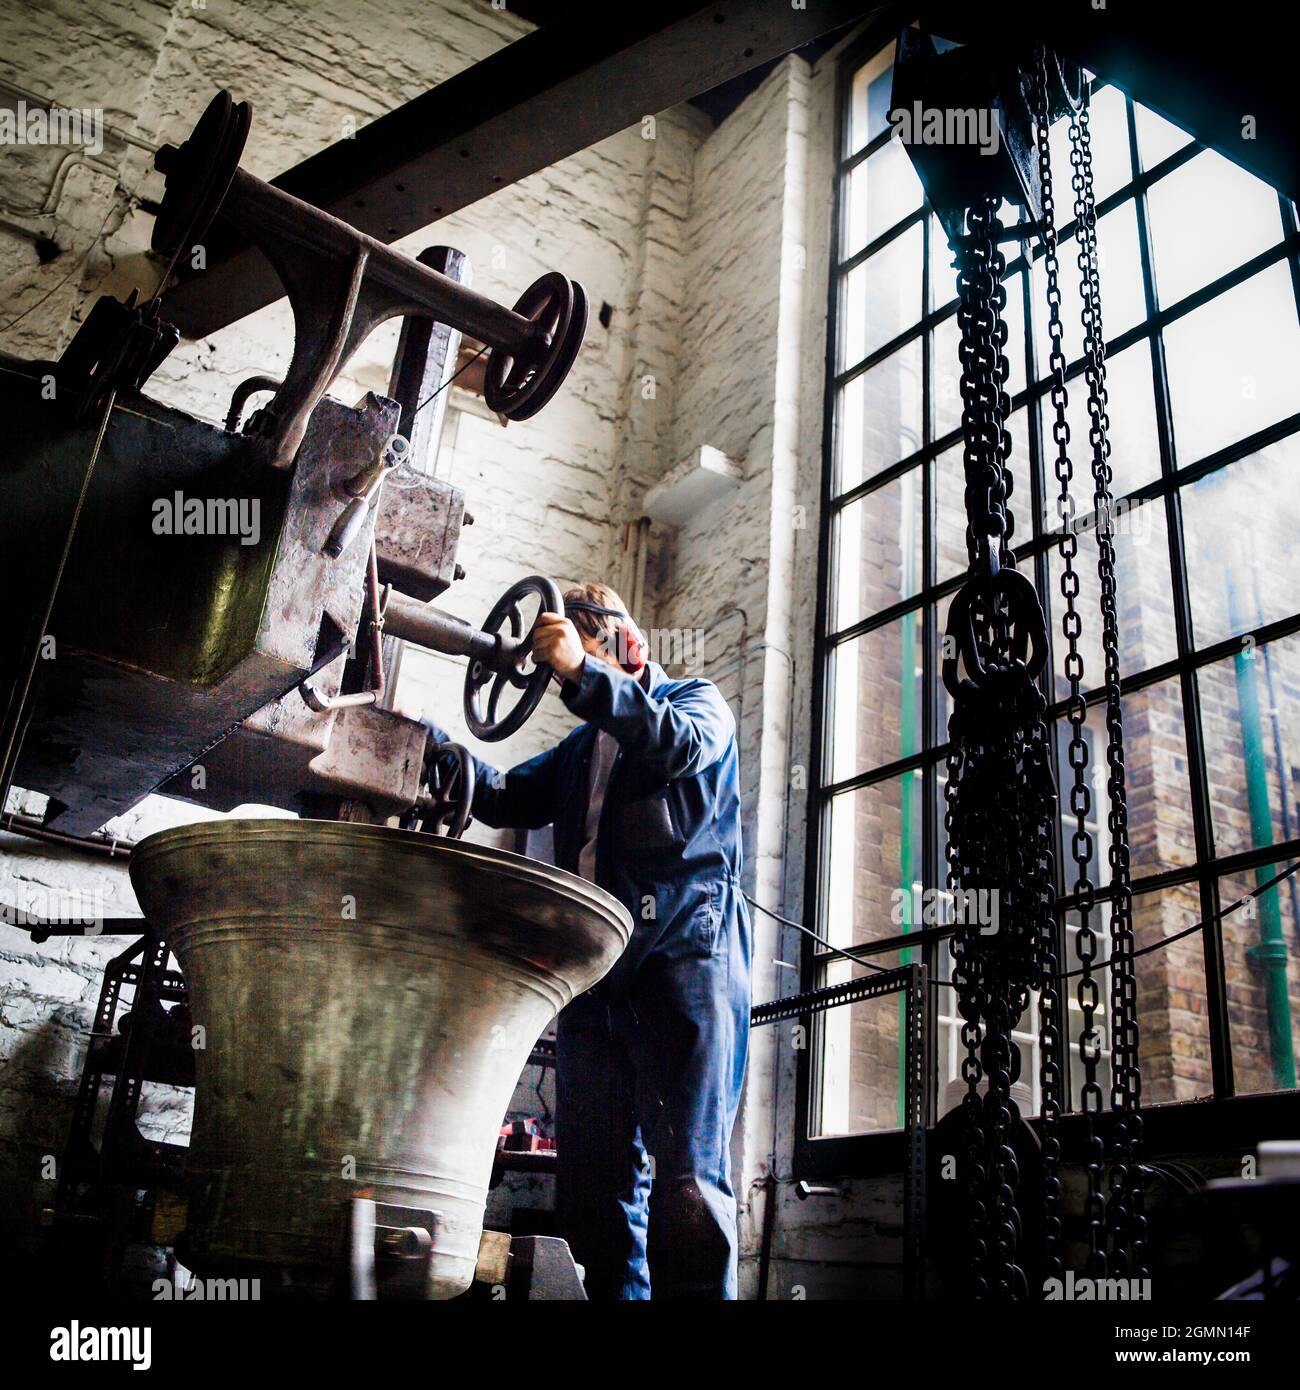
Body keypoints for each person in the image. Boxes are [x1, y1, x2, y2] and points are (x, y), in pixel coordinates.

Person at [423, 583, 751, 1299]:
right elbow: (507, 793)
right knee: (594, 1187)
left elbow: (677, 746)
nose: (570, 680)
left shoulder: (700, 705)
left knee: (689, 1185)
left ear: (626, 644)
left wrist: (581, 674)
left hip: (686, 962)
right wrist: (434, 748)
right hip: (599, 975)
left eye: (581, 656)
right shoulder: (582, 749)